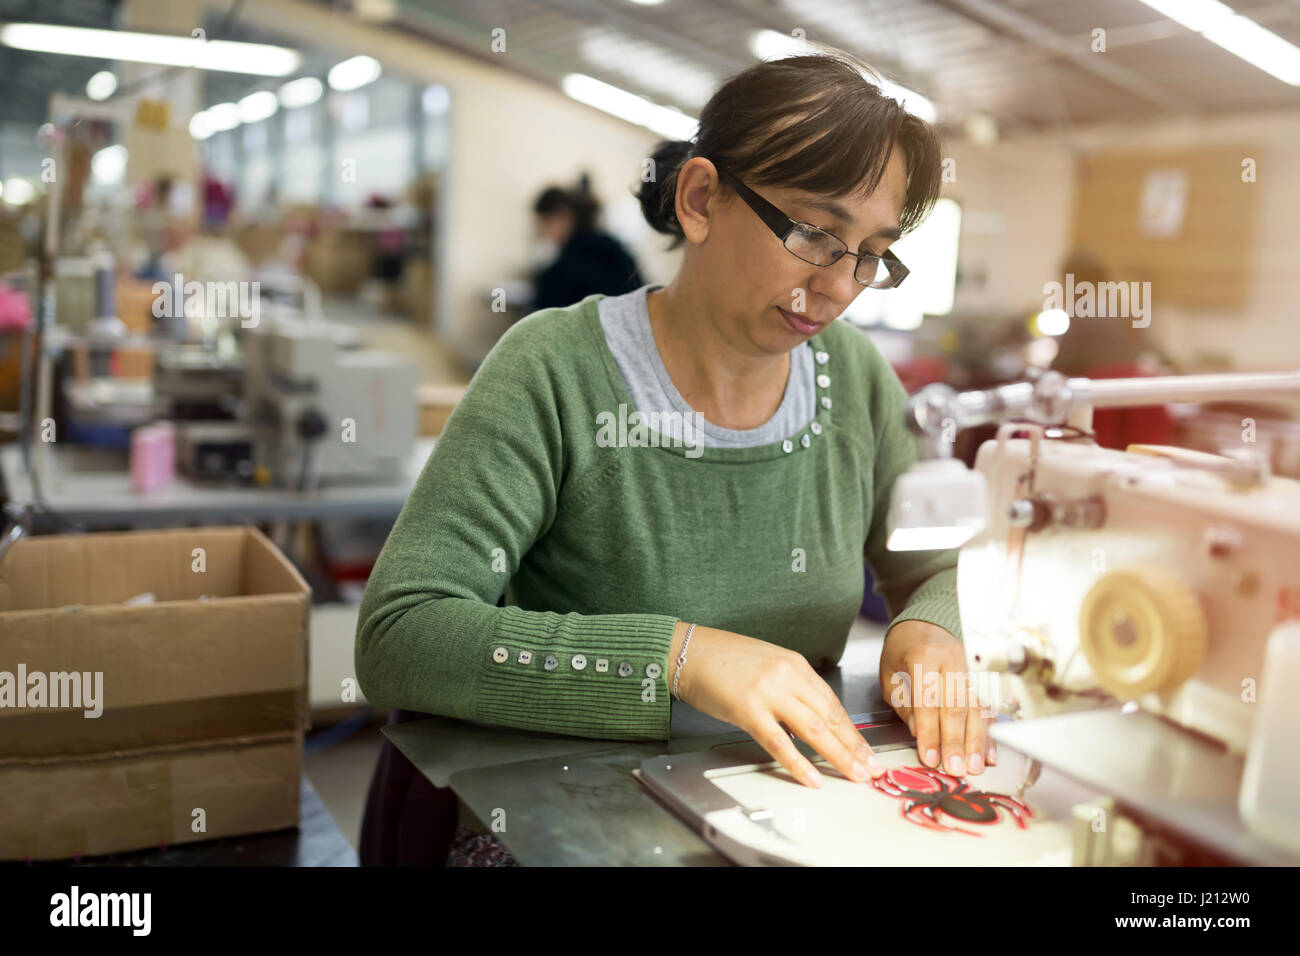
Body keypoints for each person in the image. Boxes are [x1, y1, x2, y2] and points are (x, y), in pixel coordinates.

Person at [355, 50, 990, 866]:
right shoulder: (554, 369)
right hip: (566, 819)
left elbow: (933, 568)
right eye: (815, 233)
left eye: (871, 252)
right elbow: (403, 635)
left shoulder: (855, 377)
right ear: (700, 200)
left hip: (785, 814)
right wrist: (678, 659)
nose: (840, 286)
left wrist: (931, 631)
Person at [528, 175, 644, 311]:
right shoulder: (618, 251)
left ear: (564, 216)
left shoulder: (560, 272)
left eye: (545, 222)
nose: (542, 232)